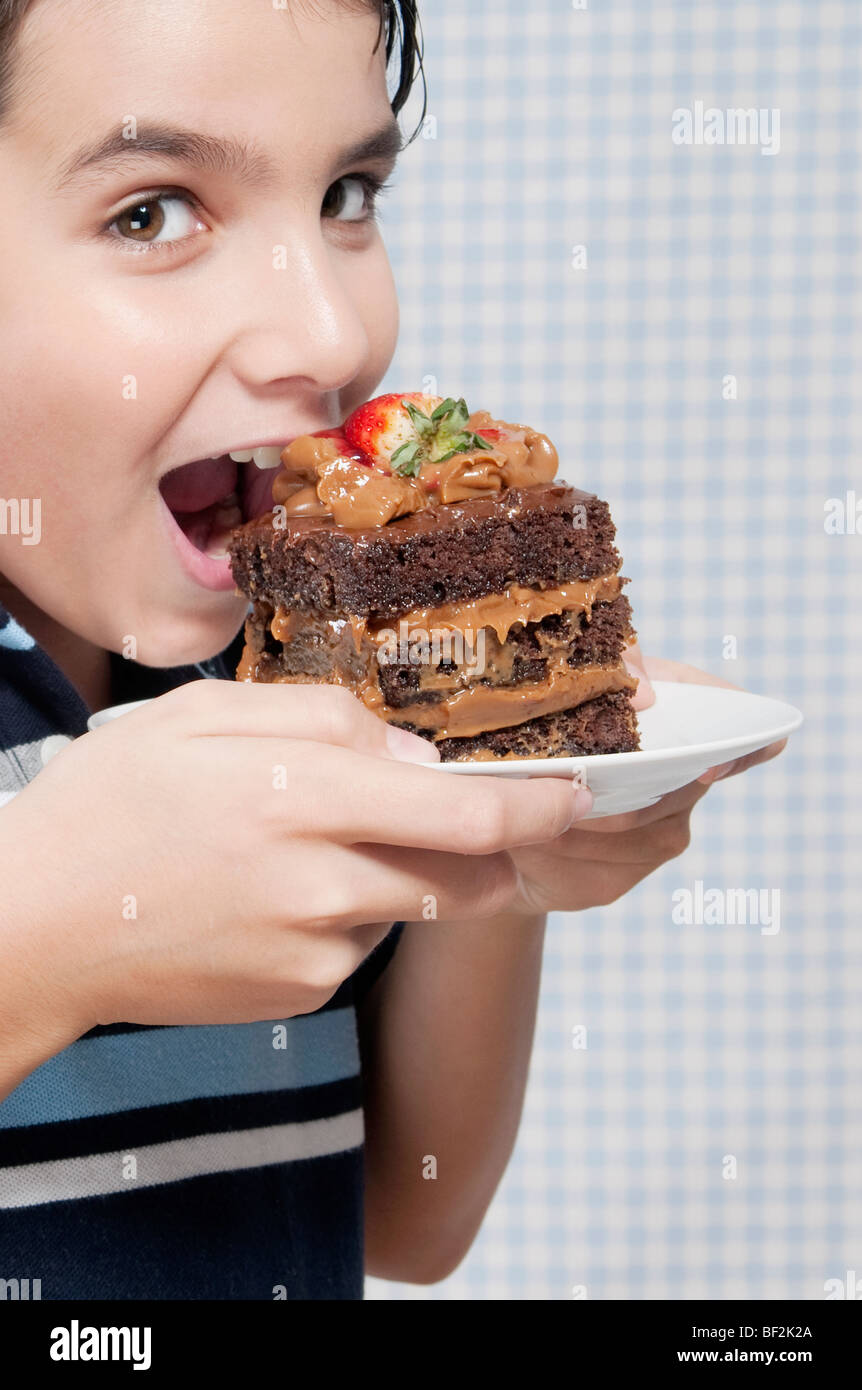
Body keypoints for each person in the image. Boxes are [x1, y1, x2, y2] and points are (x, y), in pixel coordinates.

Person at [0, 0, 784, 1298]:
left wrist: (497, 854)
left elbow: (400, 1222)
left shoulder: (287, 662)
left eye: (347, 192)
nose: (328, 334)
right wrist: (37, 937)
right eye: (153, 212)